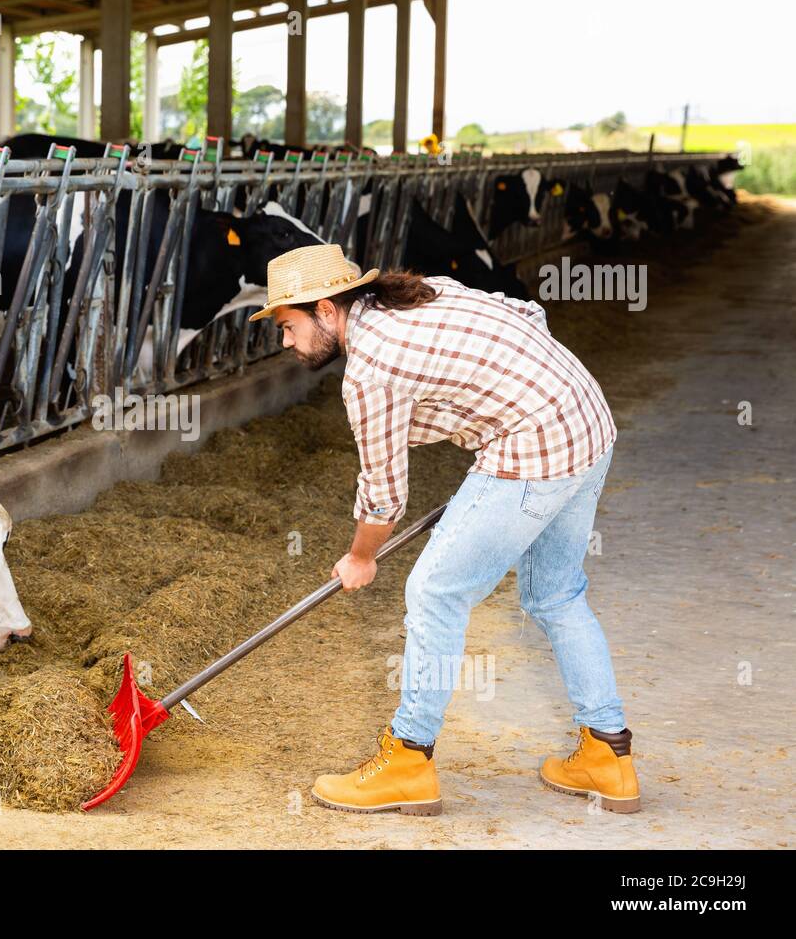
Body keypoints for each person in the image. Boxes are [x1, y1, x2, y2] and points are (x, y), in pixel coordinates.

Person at [248, 243, 639, 816]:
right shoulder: (419, 292)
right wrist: (502, 402)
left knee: (434, 591)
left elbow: (382, 499)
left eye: (288, 325)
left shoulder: (370, 372)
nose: (285, 341)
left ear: (327, 310)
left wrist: (360, 558)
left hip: (534, 449)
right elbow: (527, 314)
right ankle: (608, 756)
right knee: (557, 594)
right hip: (586, 418)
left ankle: (408, 760)